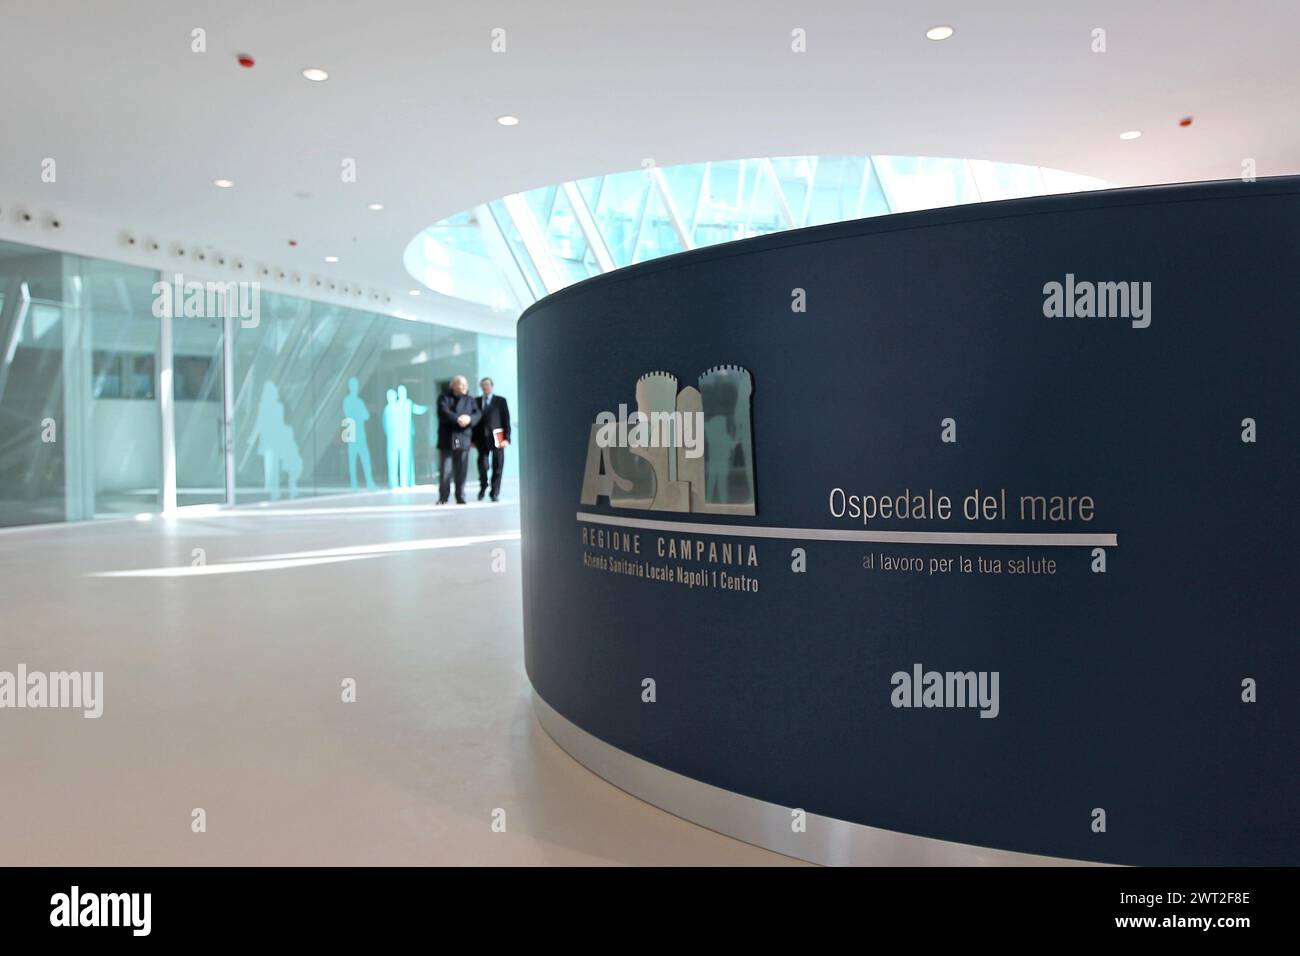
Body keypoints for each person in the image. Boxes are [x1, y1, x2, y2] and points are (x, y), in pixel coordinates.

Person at [436, 375, 480, 504]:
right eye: (461, 384)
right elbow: (443, 412)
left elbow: (477, 414)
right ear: (453, 385)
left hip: (463, 437)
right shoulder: (444, 398)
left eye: (466, 384)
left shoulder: (470, 400)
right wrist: (458, 419)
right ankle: (443, 497)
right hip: (447, 439)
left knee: (461, 470)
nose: (465, 387)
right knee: (446, 470)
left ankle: (460, 496)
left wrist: (469, 419)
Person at [472, 377, 511, 502]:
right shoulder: (476, 401)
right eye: (483, 385)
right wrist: (472, 440)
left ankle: (494, 492)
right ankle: (483, 486)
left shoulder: (500, 401)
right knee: (483, 465)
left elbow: (506, 420)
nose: (485, 387)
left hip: (497, 437)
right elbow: (473, 422)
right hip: (481, 439)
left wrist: (507, 438)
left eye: (487, 385)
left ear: (492, 386)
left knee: (497, 465)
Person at [342, 377, 376, 492]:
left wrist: (358, 414)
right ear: (350, 387)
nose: (355, 388)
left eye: (356, 386)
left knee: (365, 459)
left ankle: (370, 483)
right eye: (353, 386)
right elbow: (349, 415)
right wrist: (358, 414)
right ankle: (354, 485)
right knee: (353, 461)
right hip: (352, 435)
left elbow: (366, 416)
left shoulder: (359, 401)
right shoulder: (347, 401)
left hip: (361, 435)